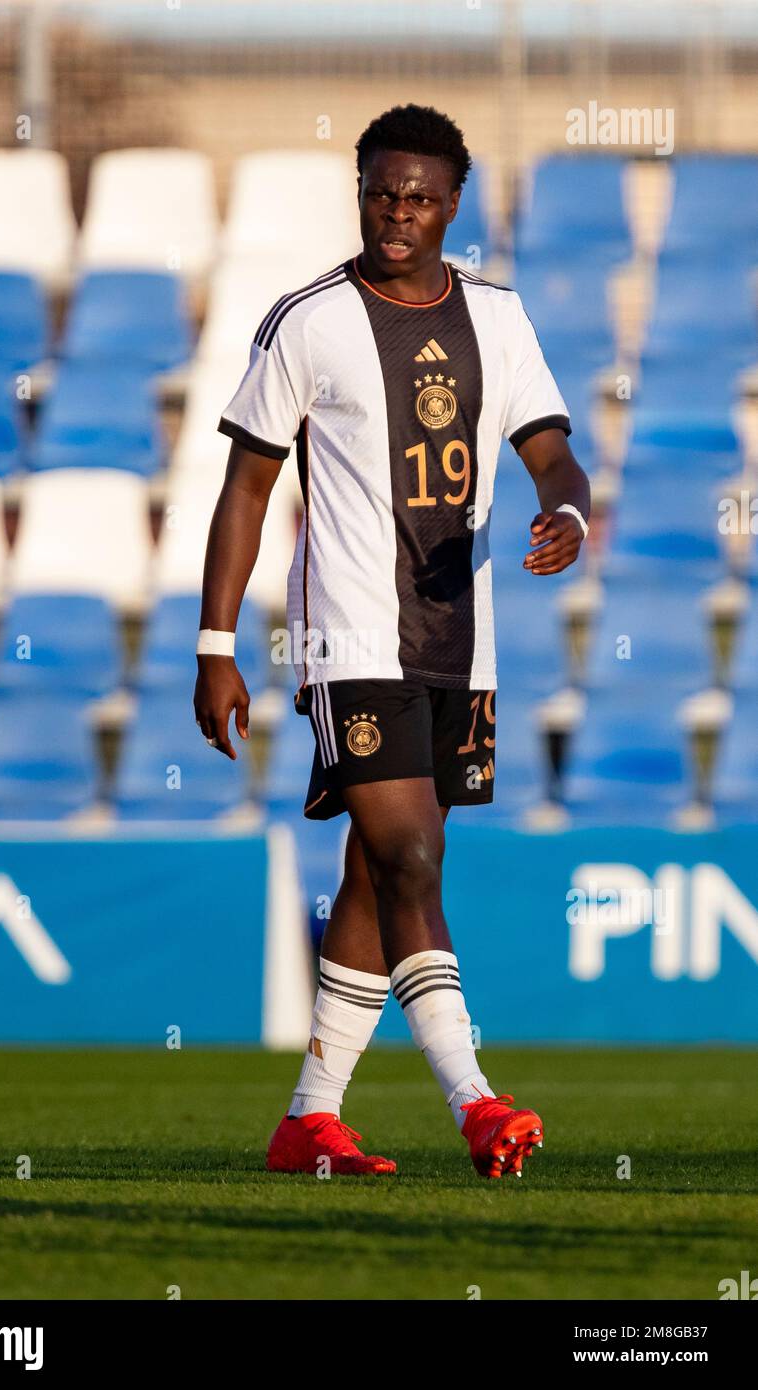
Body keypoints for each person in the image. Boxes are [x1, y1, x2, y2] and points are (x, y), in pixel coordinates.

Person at [195, 103, 590, 1179]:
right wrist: (213, 643)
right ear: (359, 189)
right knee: (412, 853)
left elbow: (551, 450)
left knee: (381, 873)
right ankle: (475, 1100)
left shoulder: (498, 318)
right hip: (348, 635)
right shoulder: (308, 320)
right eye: (381, 192)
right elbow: (246, 484)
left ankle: (308, 1117)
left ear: (452, 202)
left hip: (462, 643)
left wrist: (568, 510)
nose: (398, 213)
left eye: (419, 196)